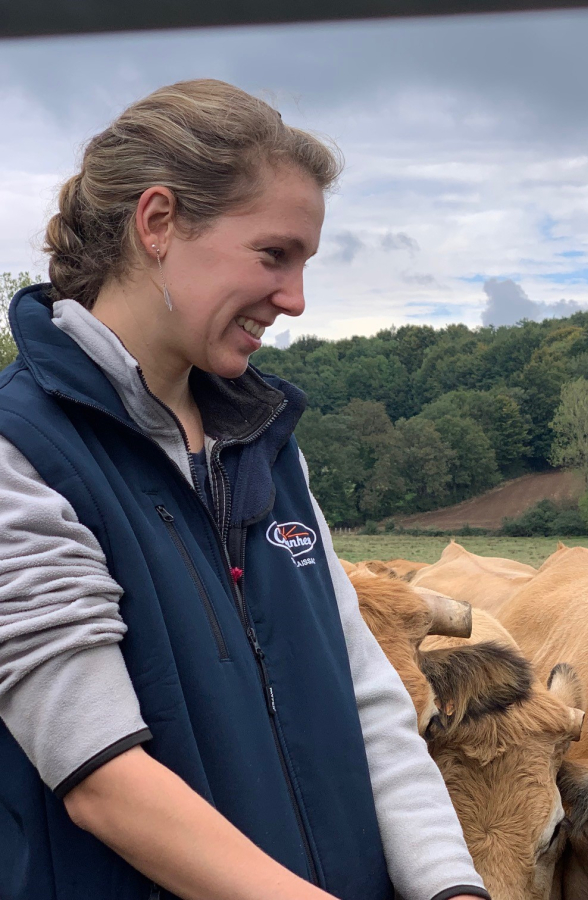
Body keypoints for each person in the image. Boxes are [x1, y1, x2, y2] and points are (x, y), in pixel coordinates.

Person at [0, 80, 489, 900]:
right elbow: (103, 776)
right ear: (158, 223)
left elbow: (368, 702)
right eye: (274, 255)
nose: (294, 299)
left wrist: (451, 887)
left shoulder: (267, 447)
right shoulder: (23, 452)